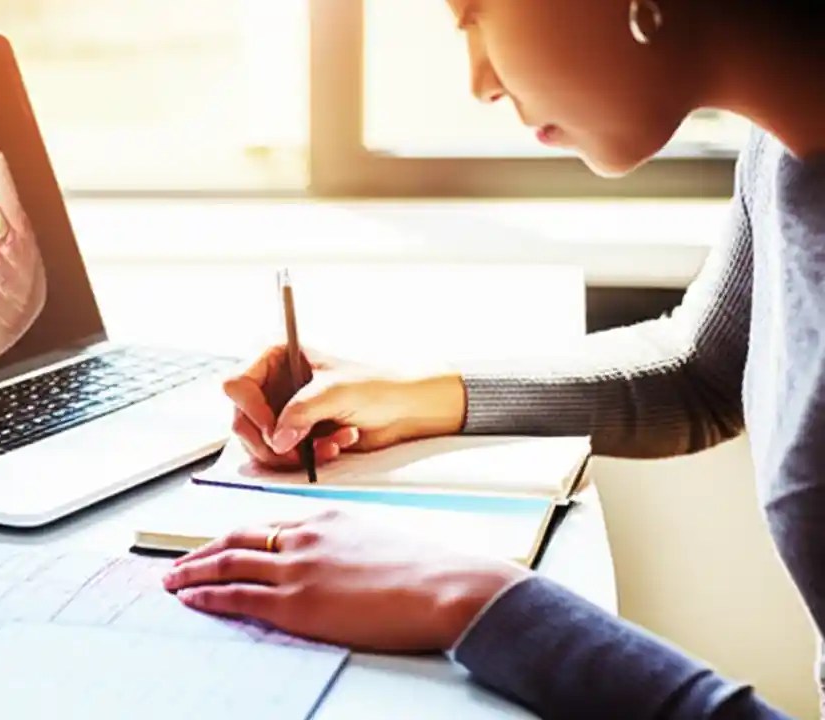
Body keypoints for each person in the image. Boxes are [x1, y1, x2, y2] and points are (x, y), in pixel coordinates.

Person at [161, 0, 825, 717]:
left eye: (473, 13)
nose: (480, 83)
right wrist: (419, 398)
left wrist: (476, 602)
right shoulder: (784, 140)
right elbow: (704, 370)